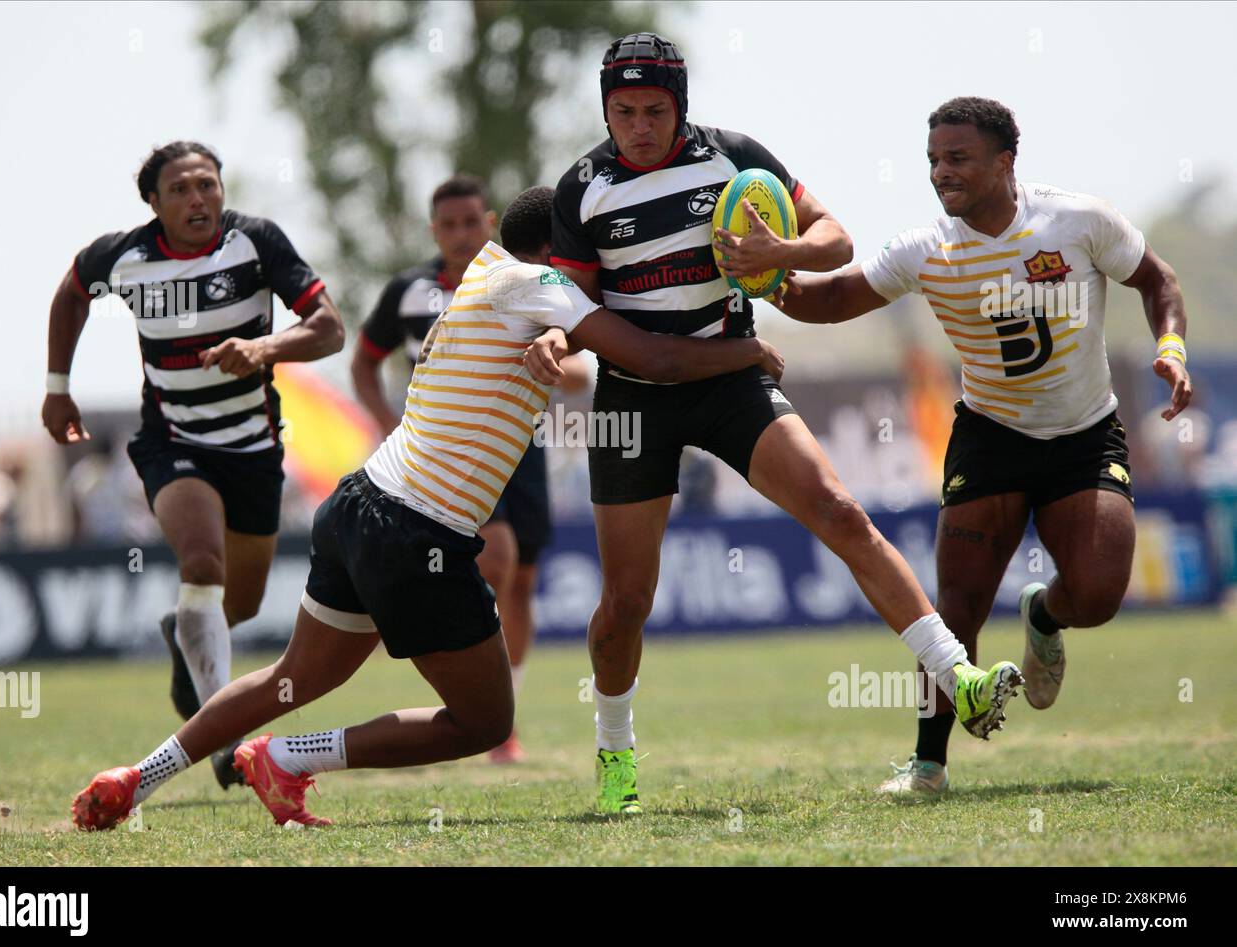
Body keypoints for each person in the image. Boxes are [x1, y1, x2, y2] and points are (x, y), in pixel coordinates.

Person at [71, 186, 790, 831]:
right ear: (563, 246)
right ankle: (285, 757)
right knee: (483, 720)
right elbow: (653, 359)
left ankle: (136, 778)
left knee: (291, 677)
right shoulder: (539, 282)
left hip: (359, 501)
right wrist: (746, 353)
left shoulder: (483, 275)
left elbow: (564, 342)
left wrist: (562, 335)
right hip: (417, 532)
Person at [537, 33, 1023, 814]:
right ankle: (616, 750)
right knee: (626, 600)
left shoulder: (734, 158)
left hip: (731, 378)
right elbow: (575, 306)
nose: (638, 126)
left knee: (839, 509)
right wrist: (556, 337)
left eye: (654, 110)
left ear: (680, 105)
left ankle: (958, 676)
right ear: (605, 110)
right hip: (635, 396)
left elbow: (837, 238)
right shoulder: (581, 190)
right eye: (622, 111)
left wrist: (781, 248)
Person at [746, 97, 1193, 796]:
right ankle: (928, 766)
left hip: (1084, 437)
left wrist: (1170, 350)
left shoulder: (1078, 221)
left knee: (1099, 595)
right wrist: (766, 271)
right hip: (990, 438)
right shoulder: (925, 249)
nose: (940, 174)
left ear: (1004, 161)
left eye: (957, 159)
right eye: (932, 161)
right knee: (955, 610)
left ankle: (1044, 614)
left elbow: (1156, 280)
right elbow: (828, 301)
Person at [43, 141, 344, 789]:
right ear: (153, 203)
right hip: (172, 440)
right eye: (179, 189)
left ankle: (185, 635)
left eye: (207, 184)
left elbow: (328, 328)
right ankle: (225, 744)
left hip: (254, 448)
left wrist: (264, 347)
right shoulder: (121, 256)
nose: (197, 198)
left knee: (242, 599)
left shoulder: (257, 243)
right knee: (202, 563)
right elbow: (71, 295)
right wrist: (57, 385)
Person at [351, 175, 587, 763]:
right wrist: (387, 421)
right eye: (447, 225)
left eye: (470, 223)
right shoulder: (409, 292)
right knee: (497, 556)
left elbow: (580, 367)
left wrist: (566, 359)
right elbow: (363, 362)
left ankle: (504, 721)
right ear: (434, 231)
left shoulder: (525, 282)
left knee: (523, 578)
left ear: (488, 224)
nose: (459, 234)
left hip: (522, 442)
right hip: (452, 450)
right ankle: (470, 681)